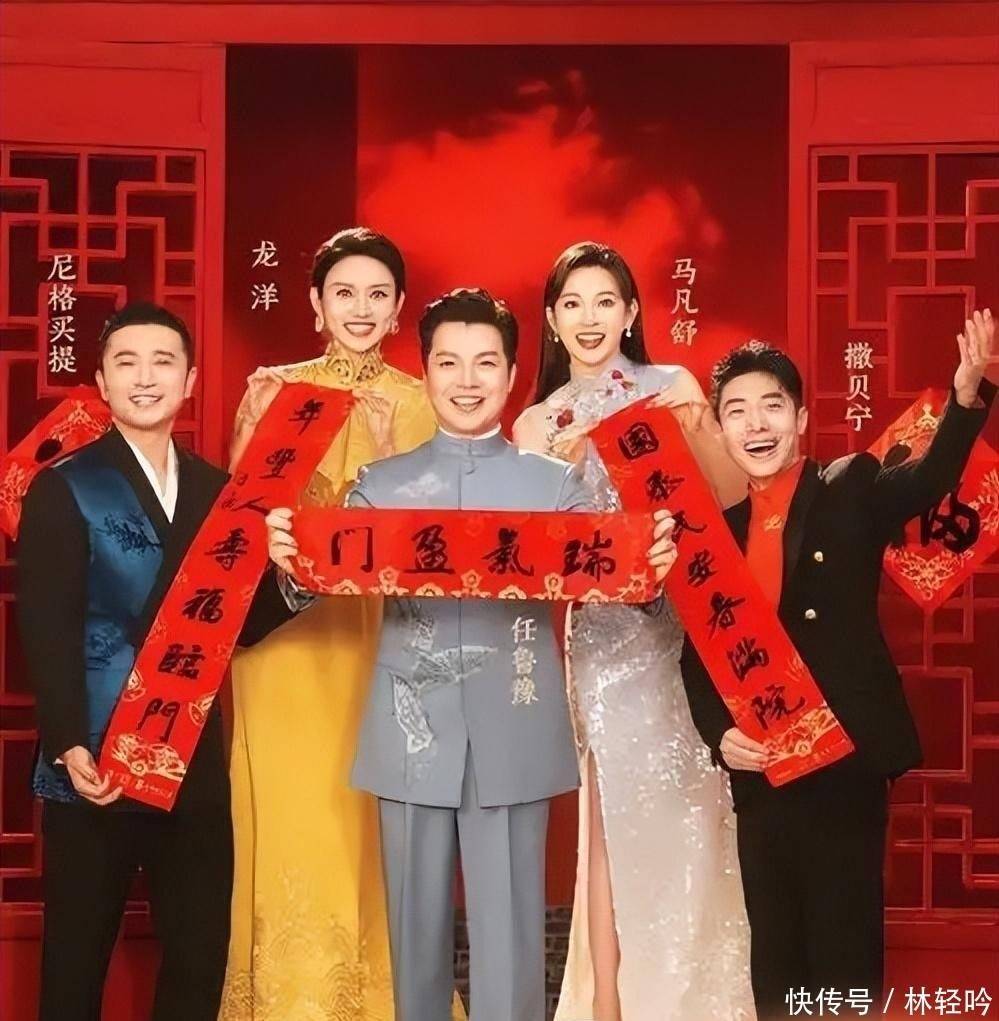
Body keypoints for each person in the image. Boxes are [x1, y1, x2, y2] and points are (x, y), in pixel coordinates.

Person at [265, 287, 678, 1021]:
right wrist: (290, 562)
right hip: (408, 733)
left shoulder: (556, 486)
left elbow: (618, 582)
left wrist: (652, 568)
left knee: (511, 947)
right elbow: (315, 584)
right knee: (414, 948)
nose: (466, 380)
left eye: (485, 362)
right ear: (424, 372)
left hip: (515, 728)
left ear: (513, 374)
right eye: (448, 362)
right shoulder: (380, 486)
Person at [681, 311, 996, 1020]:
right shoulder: (718, 539)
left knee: (843, 957)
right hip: (762, 777)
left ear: (799, 419)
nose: (755, 424)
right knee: (777, 966)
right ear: (721, 430)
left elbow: (928, 478)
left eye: (771, 406)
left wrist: (964, 395)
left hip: (844, 764)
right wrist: (719, 735)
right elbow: (696, 659)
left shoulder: (848, 485)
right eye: (736, 411)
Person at [17, 302, 294, 1021]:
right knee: (76, 961)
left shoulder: (220, 494)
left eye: (163, 362)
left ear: (190, 380)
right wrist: (69, 741)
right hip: (93, 759)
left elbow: (239, 625)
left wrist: (294, 578)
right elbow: (45, 624)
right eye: (127, 362)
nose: (145, 377)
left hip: (188, 755)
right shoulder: (66, 485)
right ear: (101, 382)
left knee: (198, 959)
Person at [514, 241, 754, 1021]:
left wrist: (686, 435)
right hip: (603, 642)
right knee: (614, 819)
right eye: (571, 303)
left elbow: (729, 500)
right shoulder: (535, 423)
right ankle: (615, 1002)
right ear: (552, 319)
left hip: (684, 630)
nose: (589, 318)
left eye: (604, 301)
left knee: (697, 807)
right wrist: (561, 468)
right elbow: (535, 552)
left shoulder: (672, 387)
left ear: (631, 312)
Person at [222, 228, 438, 1019]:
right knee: (291, 820)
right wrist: (250, 435)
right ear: (315, 303)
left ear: (399, 307)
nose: (360, 308)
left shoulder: (419, 400)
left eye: (377, 294)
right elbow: (238, 526)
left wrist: (384, 453)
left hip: (376, 642)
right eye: (343, 292)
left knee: (362, 824)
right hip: (284, 652)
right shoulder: (276, 390)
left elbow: (426, 545)